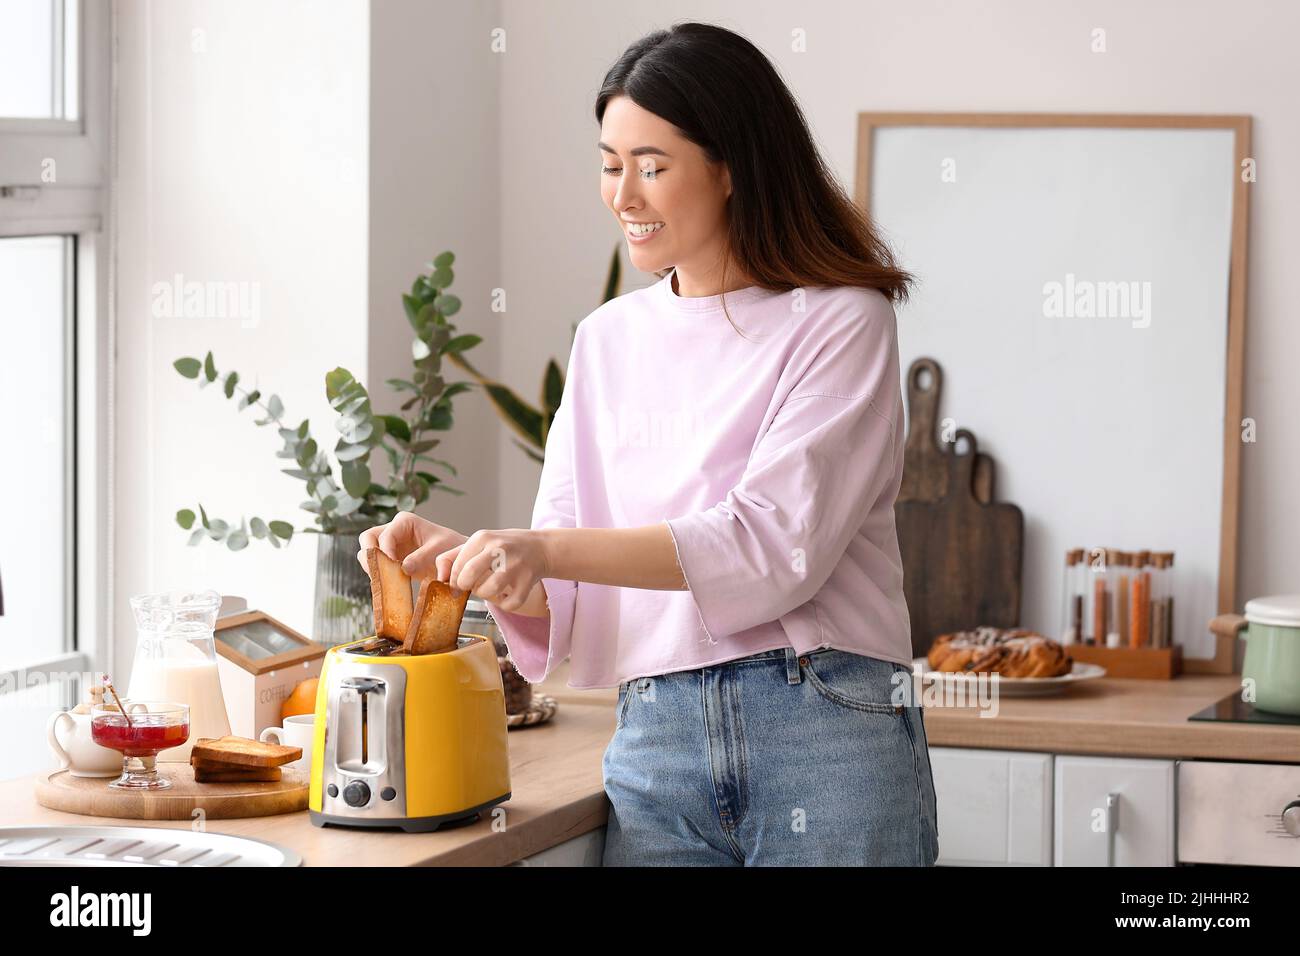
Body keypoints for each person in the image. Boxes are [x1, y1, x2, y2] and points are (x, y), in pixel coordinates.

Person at [359, 21, 938, 867]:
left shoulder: (842, 319)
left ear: (734, 166)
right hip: (655, 743)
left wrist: (546, 547)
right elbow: (567, 585)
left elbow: (775, 544)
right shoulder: (607, 341)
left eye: (652, 166)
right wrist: (481, 561)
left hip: (825, 726)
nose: (622, 194)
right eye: (609, 163)